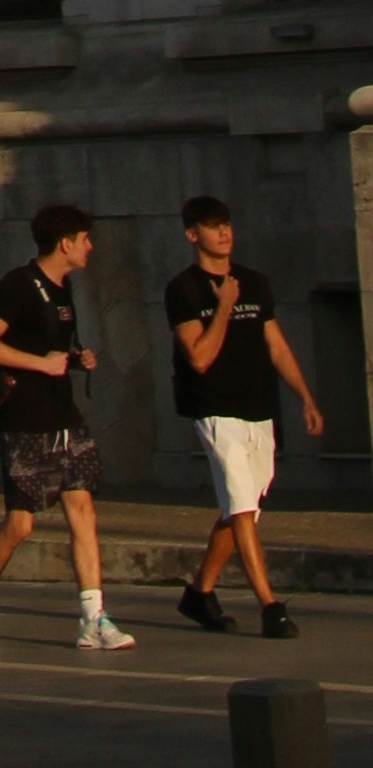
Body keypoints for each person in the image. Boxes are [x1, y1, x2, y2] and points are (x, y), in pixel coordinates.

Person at [0, 206, 134, 653]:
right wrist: (42, 363)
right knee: (20, 525)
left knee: (83, 510)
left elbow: (51, 349)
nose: (90, 247)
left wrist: (77, 360)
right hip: (25, 419)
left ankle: (93, 619)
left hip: (64, 415)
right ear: (65, 244)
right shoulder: (17, 286)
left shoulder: (64, 288)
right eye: (85, 239)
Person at [166, 197, 325, 636]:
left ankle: (199, 594)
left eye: (227, 225)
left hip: (259, 410)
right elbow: (198, 357)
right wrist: (223, 306)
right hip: (216, 412)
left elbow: (275, 345)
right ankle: (270, 606)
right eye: (213, 227)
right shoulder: (184, 289)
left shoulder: (255, 284)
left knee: (243, 509)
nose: (224, 234)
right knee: (240, 506)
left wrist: (305, 398)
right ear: (192, 234)